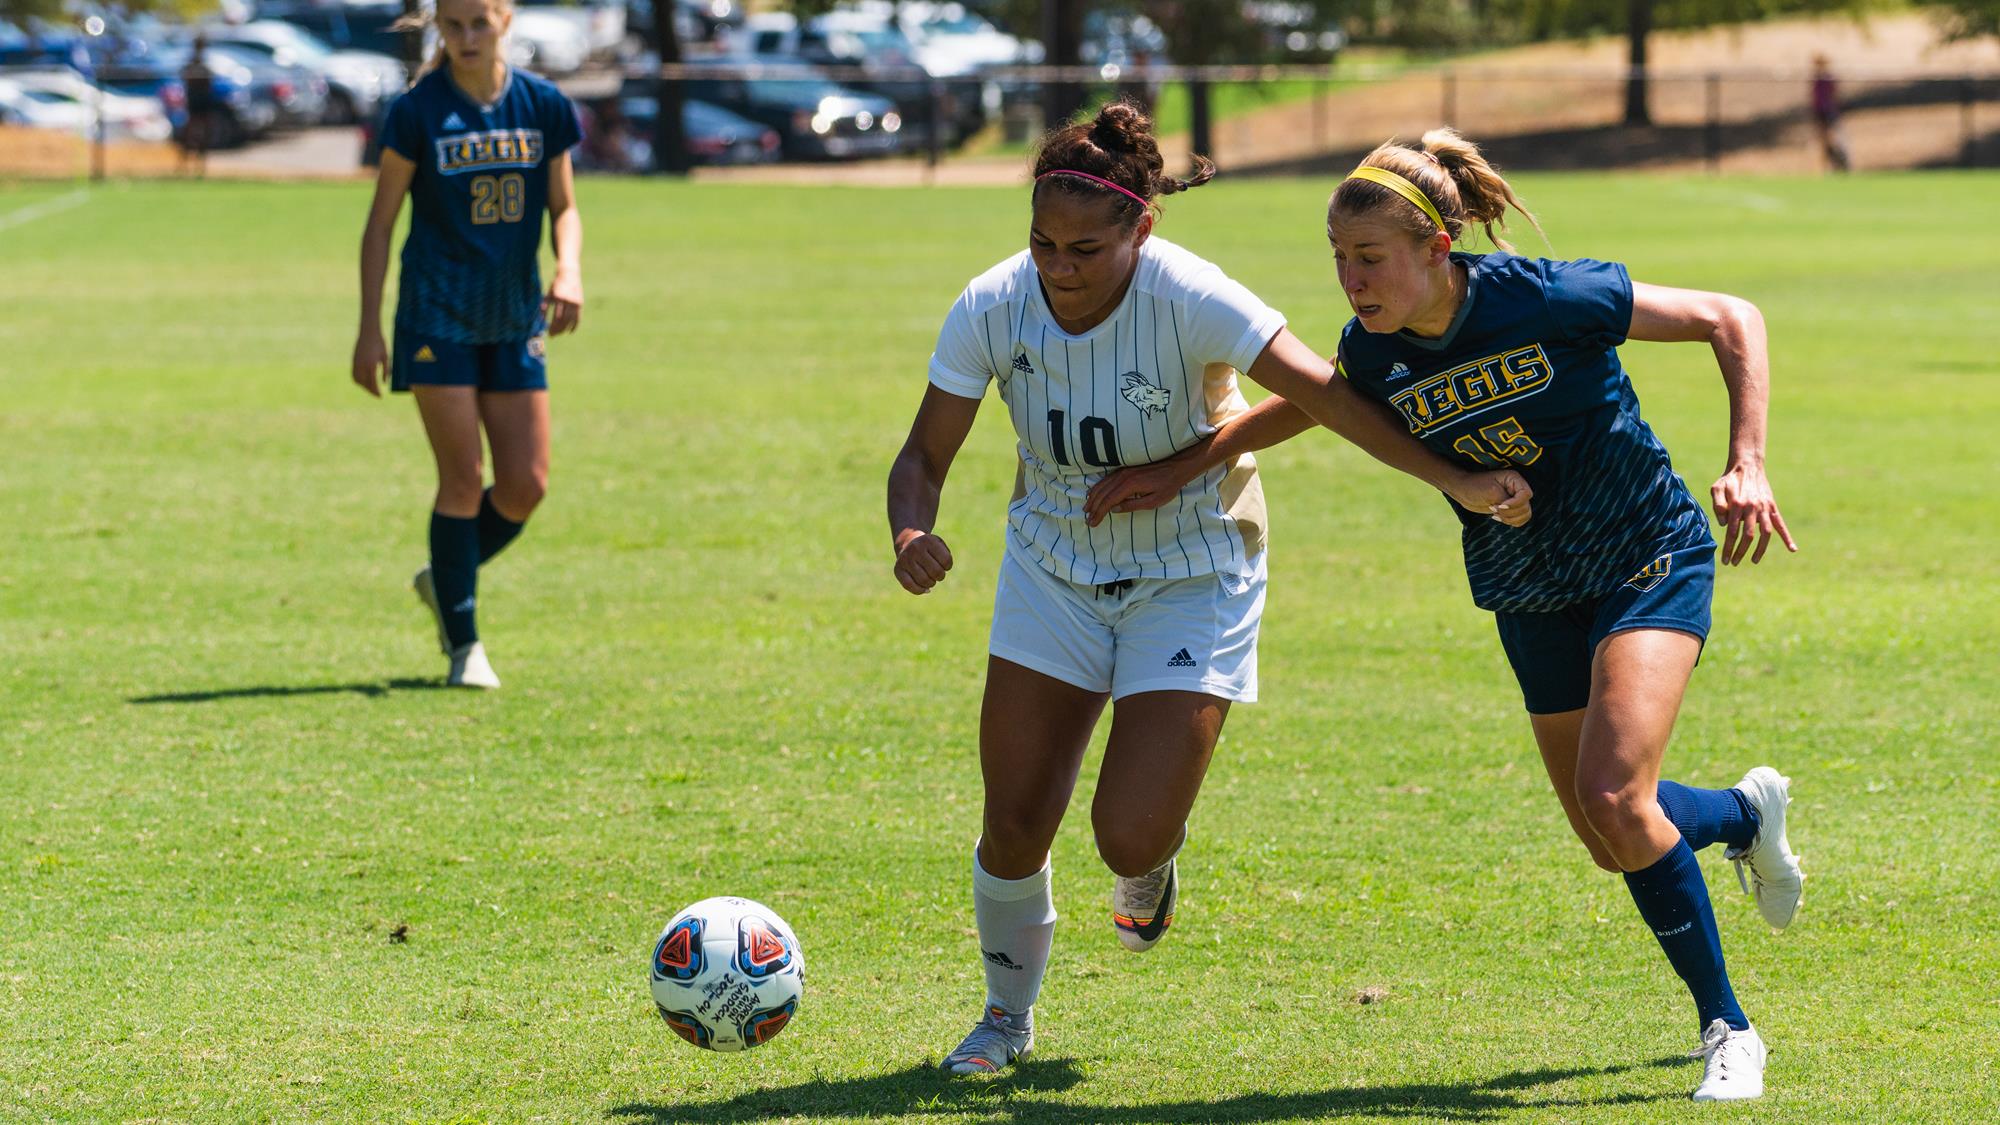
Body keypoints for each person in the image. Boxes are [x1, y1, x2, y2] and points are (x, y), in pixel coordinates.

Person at [1086, 129, 1804, 1102]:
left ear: (1434, 248)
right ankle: (1739, 815)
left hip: (1644, 552)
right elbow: (1323, 405)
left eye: (1369, 258)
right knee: (1609, 832)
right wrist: (1180, 466)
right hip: (1525, 583)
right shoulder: (1373, 349)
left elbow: (1731, 315)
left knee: (1610, 799)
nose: (1350, 278)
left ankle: (1728, 1027)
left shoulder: (1543, 295)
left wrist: (1746, 460)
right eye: (1338, 258)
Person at [887, 103, 1533, 1076]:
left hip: (1193, 566)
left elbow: (1322, 391)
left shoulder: (1190, 296)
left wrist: (1453, 479)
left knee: (1127, 833)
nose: (1058, 266)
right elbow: (921, 454)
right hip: (1051, 565)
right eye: (1042, 242)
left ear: (1141, 230)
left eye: (1086, 248)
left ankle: (1150, 867)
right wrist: (911, 529)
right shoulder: (991, 304)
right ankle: (1003, 1019)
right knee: (1013, 823)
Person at [350, 0, 584, 688]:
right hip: (435, 316)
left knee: (525, 485)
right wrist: (369, 327)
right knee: (461, 477)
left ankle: (445, 576)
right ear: (438, 29)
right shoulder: (417, 111)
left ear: (505, 19)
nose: (466, 38)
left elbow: (564, 206)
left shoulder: (544, 106)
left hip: (514, 316)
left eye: (478, 23)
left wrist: (568, 267)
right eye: (452, 26)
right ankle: (465, 647)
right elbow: (379, 225)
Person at [177, 36, 218, 177]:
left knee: (204, 134)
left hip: (203, 100)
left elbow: (209, 80)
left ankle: (200, 167)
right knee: (190, 133)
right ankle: (184, 165)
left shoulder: (203, 63)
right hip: (194, 100)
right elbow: (185, 76)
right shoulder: (193, 62)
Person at [1810, 55, 1852, 173]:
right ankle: (1825, 168)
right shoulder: (1816, 79)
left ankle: (1840, 164)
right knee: (1822, 141)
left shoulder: (1829, 79)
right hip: (1820, 112)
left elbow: (1835, 95)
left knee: (1834, 138)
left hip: (1829, 111)